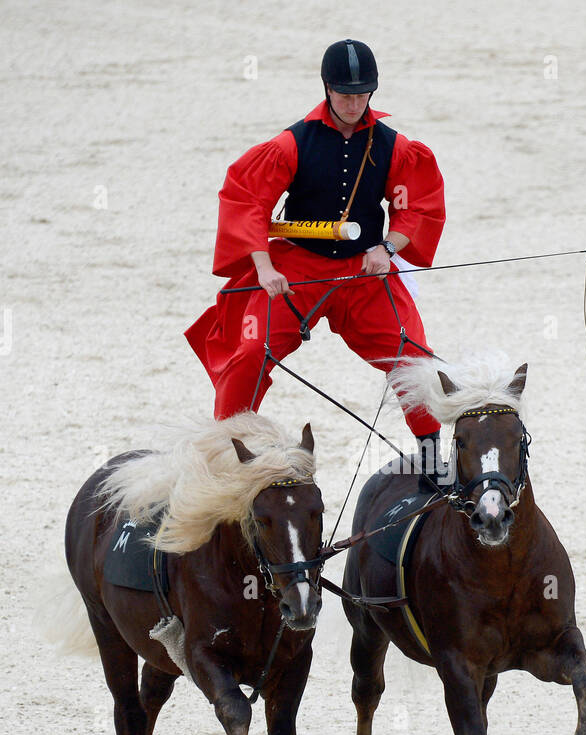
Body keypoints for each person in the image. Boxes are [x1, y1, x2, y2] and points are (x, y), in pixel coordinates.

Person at [184, 39, 447, 478]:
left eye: (361, 93)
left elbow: (416, 208)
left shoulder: (395, 147)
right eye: (344, 93)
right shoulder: (291, 144)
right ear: (327, 88)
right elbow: (248, 200)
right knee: (252, 350)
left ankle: (430, 456)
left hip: (363, 268)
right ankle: (225, 457)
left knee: (412, 355)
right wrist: (264, 267)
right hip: (296, 266)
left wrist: (388, 249)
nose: (352, 102)